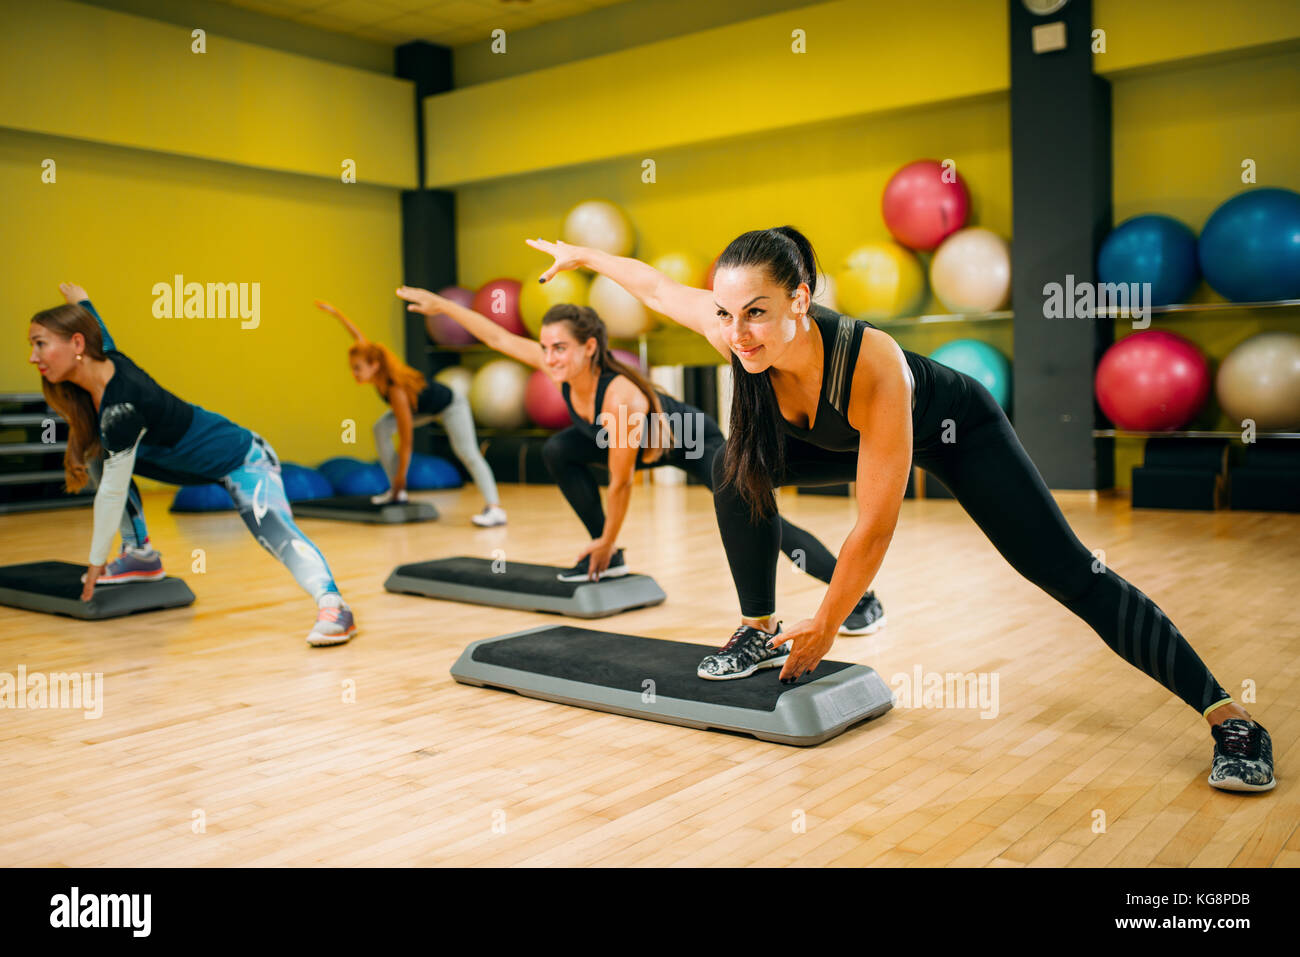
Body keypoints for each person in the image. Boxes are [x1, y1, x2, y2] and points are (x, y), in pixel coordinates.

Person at [526, 227, 1274, 793]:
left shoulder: (869, 359)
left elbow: (876, 522)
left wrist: (826, 621)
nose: (740, 331)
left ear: (800, 297)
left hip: (956, 432)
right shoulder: (734, 332)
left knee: (1066, 570)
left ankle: (1228, 716)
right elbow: (655, 287)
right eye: (728, 313)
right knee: (733, 465)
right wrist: (584, 255)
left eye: (757, 310)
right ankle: (756, 627)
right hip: (839, 437)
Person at [395, 285, 886, 637]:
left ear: (589, 348)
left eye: (560, 348)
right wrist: (441, 306)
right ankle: (609, 558)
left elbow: (622, 482)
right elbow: (499, 339)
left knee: (760, 520)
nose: (550, 358)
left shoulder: (621, 399)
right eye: (545, 348)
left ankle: (859, 598)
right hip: (635, 444)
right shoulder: (562, 368)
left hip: (692, 441)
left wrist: (608, 540)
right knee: (559, 448)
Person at [29, 282, 357, 646]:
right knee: (97, 455)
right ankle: (140, 556)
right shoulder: (104, 356)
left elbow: (112, 493)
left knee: (273, 530)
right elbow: (96, 325)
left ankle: (334, 606)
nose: (33, 356)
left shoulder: (122, 405)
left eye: (40, 343)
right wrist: (80, 298)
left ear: (76, 345)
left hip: (243, 459)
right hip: (185, 464)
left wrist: (94, 564)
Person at [314, 300, 505, 526]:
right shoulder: (376, 369)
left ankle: (495, 509)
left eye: (357, 368)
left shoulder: (396, 389)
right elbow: (358, 337)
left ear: (373, 365)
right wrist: (337, 314)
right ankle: (396, 492)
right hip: (422, 409)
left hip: (450, 405)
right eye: (352, 368)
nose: (354, 373)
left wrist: (400, 480)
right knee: (381, 428)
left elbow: (406, 441)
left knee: (467, 452)